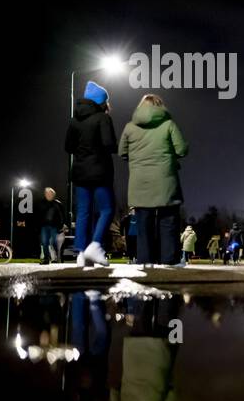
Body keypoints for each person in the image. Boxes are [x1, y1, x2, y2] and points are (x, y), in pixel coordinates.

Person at [119, 93, 190, 266]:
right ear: (160, 107)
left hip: (140, 182)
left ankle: (145, 260)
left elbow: (122, 152)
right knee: (168, 222)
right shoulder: (168, 125)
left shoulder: (129, 127)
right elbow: (182, 150)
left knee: (143, 224)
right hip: (165, 182)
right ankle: (169, 260)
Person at [65, 80, 118, 268]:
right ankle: (95, 245)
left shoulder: (74, 120)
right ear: (101, 102)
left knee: (83, 213)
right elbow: (109, 144)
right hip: (100, 171)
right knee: (107, 209)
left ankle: (81, 252)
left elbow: (68, 147)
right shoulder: (103, 118)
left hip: (80, 172)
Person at [38, 187, 65, 264]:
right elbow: (38, 215)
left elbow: (62, 216)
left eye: (50, 193)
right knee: (44, 242)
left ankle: (56, 258)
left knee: (54, 243)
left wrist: (61, 225)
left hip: (54, 226)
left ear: (53, 195)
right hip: (44, 226)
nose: (48, 195)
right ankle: (46, 259)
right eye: (46, 193)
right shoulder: (41, 203)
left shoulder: (58, 203)